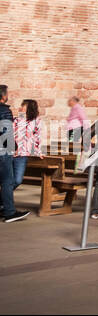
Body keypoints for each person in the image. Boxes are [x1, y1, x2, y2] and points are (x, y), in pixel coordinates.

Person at [0, 84, 28, 223]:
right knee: (7, 181)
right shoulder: (4, 110)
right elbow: (6, 132)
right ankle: (10, 212)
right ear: (4, 96)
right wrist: (14, 146)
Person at [12, 100, 41, 189]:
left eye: (23, 106)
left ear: (29, 108)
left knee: (17, 180)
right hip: (9, 153)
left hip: (22, 155)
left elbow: (37, 137)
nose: (21, 107)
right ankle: (5, 199)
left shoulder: (37, 121)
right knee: (6, 180)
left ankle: (3, 198)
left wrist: (38, 152)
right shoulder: (16, 120)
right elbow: (10, 135)